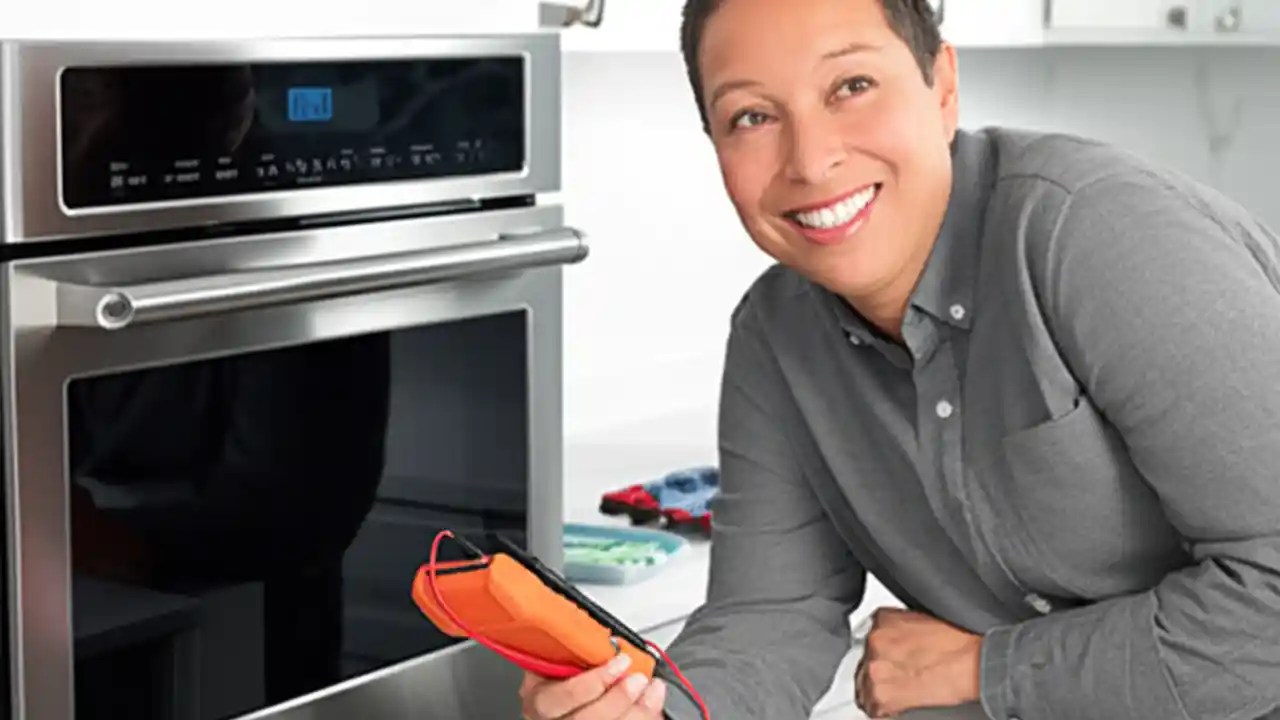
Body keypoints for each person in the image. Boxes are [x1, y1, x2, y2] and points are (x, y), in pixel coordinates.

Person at [519, 0, 1280, 718]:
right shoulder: (774, 336)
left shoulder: (1100, 236)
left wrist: (985, 670)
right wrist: (656, 710)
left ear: (941, 86)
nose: (811, 160)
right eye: (752, 116)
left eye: (851, 86)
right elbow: (771, 616)